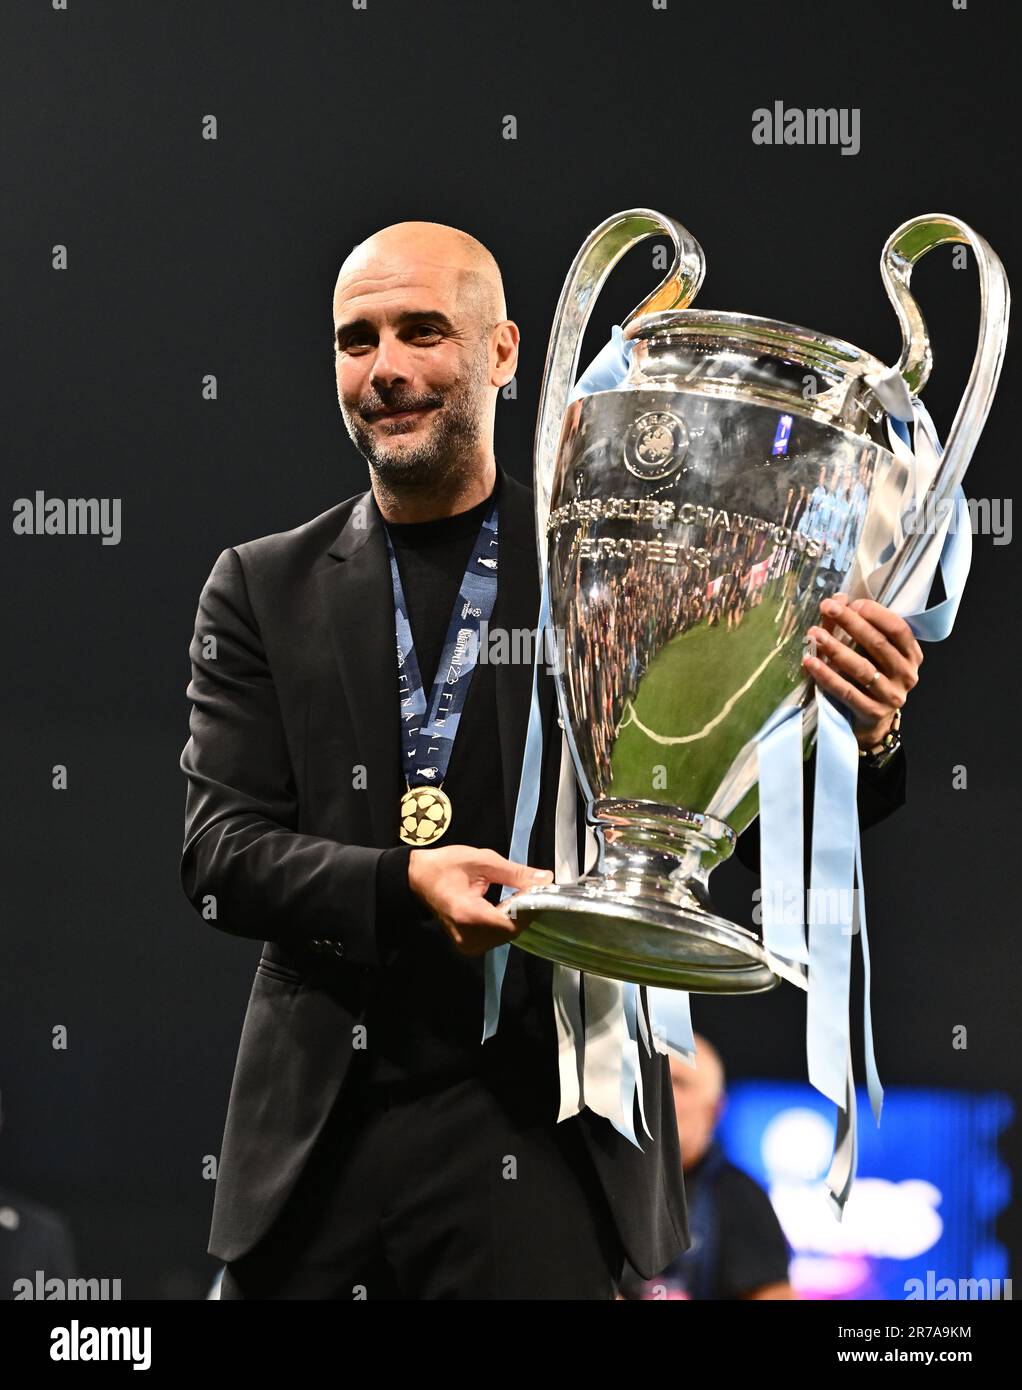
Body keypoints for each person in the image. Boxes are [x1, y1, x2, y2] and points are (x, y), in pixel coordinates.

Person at [178, 219, 920, 1300]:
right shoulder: (259, 585)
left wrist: (869, 730)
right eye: (356, 340)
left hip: (543, 1131)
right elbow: (217, 856)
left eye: (423, 331)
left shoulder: (623, 563)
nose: (385, 369)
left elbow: (727, 816)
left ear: (504, 353)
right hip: (314, 1151)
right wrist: (400, 882)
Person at [618, 1037, 795, 1301]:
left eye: (679, 1083)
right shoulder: (589, 1183)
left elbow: (774, 1294)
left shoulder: (738, 1196)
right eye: (647, 1078)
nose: (657, 1092)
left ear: (713, 1111)